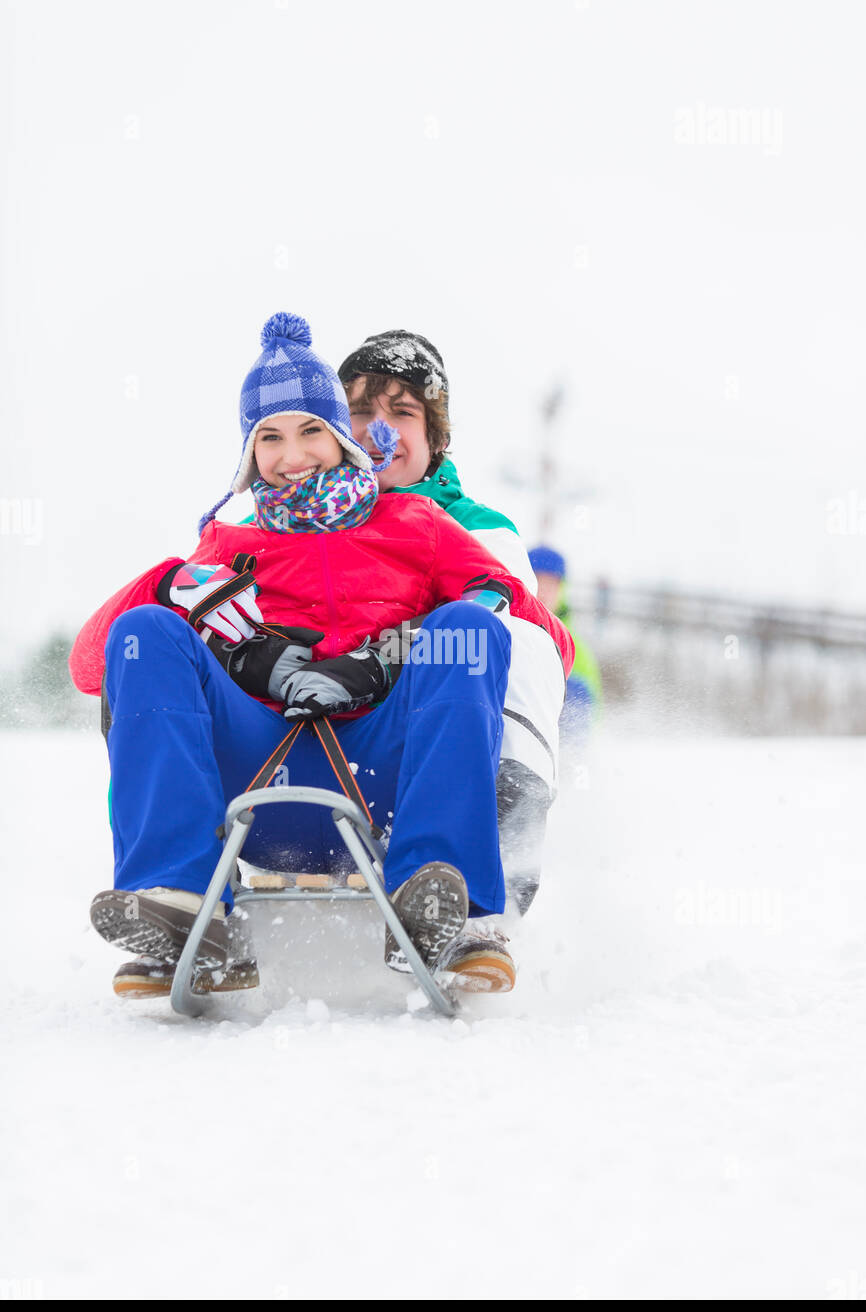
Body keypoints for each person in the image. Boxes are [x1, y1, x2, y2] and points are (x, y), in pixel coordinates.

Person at [69, 312, 574, 1000]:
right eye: (269, 437)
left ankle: (443, 902)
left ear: (340, 438)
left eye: (311, 430)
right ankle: (185, 903)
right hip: (262, 777)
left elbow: (518, 616)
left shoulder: (417, 525)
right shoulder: (230, 540)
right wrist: (170, 586)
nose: (292, 453)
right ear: (250, 455)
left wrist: (387, 654)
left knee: (472, 631)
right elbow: (90, 664)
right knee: (146, 633)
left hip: (381, 781)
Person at [338, 330, 566, 914]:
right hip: (327, 743)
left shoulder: (477, 527)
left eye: (402, 412)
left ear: (433, 437)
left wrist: (401, 642)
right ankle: (181, 884)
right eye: (360, 411)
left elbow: (516, 609)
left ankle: (496, 862)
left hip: (440, 740)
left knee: (507, 637)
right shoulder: (302, 521)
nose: (378, 428)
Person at [528, 545, 602, 739]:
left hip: (556, 743)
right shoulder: (505, 628)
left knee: (576, 689)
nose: (543, 590)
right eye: (537, 580)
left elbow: (593, 712)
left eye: (551, 584)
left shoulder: (578, 649)